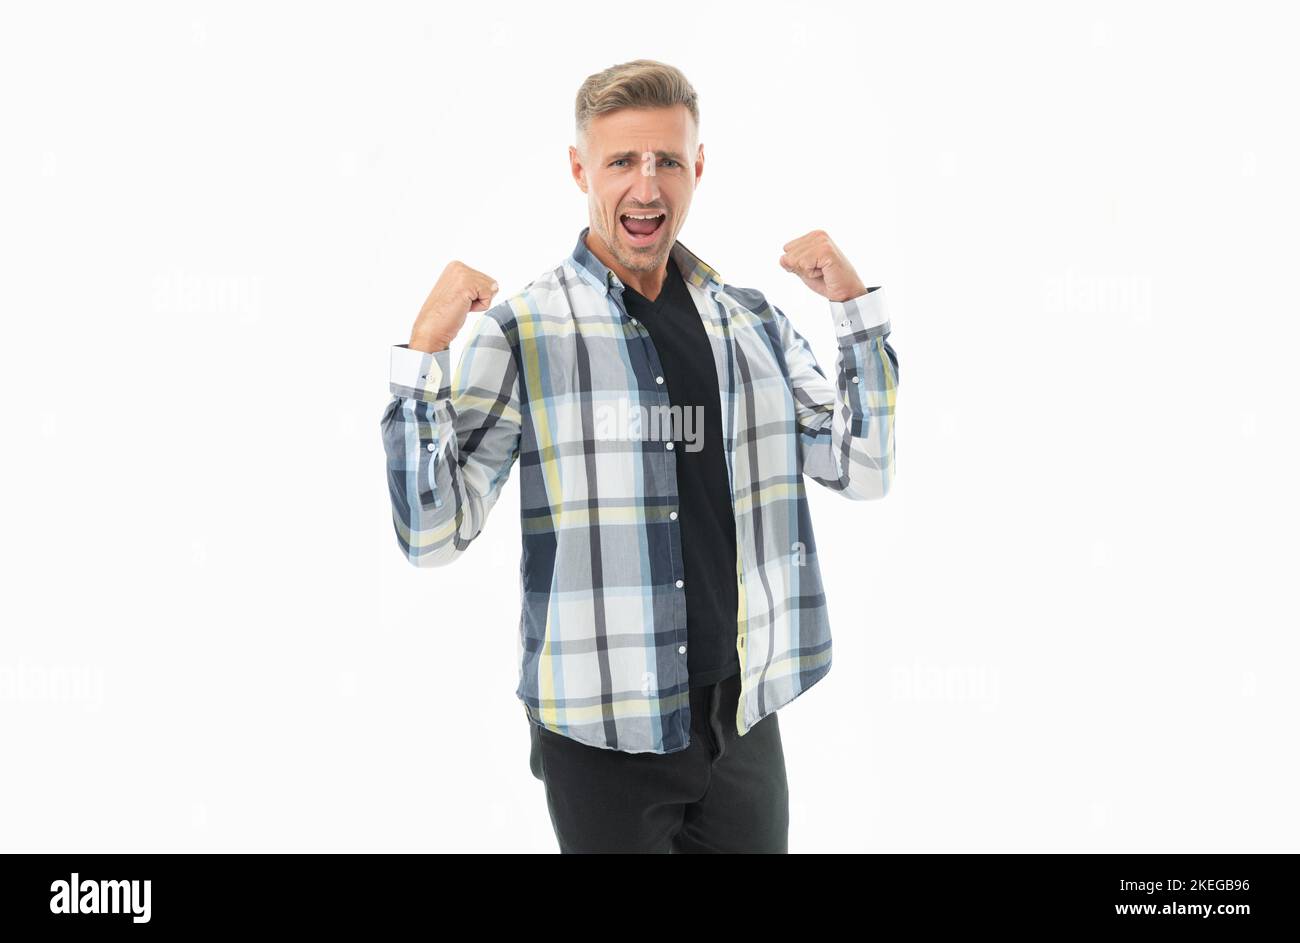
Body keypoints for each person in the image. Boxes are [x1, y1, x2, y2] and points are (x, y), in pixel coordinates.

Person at [380, 59, 899, 853]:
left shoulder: (751, 324)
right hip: (601, 731)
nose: (646, 187)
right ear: (580, 168)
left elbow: (862, 468)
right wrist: (424, 353)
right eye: (622, 161)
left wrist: (854, 311)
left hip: (741, 717)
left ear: (698, 165)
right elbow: (431, 532)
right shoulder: (523, 333)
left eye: (665, 160)